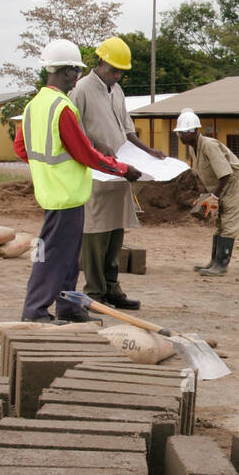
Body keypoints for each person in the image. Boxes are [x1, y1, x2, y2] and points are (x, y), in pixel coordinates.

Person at [13, 39, 141, 323]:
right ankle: (35, 311)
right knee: (53, 256)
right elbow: (85, 153)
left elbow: (21, 148)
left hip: (53, 193)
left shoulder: (34, 105)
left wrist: (45, 171)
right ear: (68, 71)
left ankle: (69, 307)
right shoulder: (62, 107)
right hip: (66, 194)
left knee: (69, 256)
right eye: (75, 71)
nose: (77, 77)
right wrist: (121, 169)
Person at [69, 36, 164, 311]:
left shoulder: (117, 91)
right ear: (100, 63)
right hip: (96, 174)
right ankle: (94, 291)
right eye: (113, 70)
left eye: (121, 71)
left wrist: (149, 151)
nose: (117, 75)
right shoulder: (82, 90)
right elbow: (73, 133)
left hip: (119, 172)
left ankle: (112, 288)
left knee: (115, 234)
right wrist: (94, 144)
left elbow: (127, 130)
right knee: (95, 235)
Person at [173, 110, 239, 275]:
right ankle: (214, 262)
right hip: (223, 186)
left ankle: (221, 266)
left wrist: (214, 196)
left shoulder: (209, 145)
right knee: (219, 223)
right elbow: (207, 175)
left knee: (228, 223)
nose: (181, 136)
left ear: (195, 132)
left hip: (235, 185)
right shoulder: (194, 149)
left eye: (185, 133)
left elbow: (226, 173)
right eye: (180, 133)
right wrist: (205, 197)